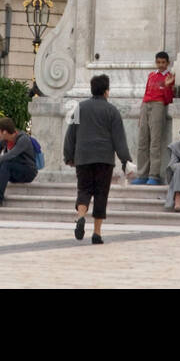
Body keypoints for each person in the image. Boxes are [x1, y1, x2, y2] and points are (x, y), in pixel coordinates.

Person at [63, 73, 132, 245]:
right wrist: (125, 160)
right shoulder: (112, 111)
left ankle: (80, 216)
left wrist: (69, 156)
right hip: (104, 158)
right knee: (101, 194)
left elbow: (70, 134)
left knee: (84, 190)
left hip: (83, 157)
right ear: (106, 91)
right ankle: (97, 233)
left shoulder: (79, 108)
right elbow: (119, 139)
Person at [132, 51, 174, 185]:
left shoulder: (170, 77)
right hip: (145, 105)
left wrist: (167, 86)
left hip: (158, 105)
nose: (161, 65)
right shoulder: (151, 75)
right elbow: (146, 93)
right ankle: (142, 174)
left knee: (155, 142)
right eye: (158, 62)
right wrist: (141, 114)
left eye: (163, 62)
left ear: (167, 63)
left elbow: (168, 99)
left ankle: (153, 175)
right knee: (142, 141)